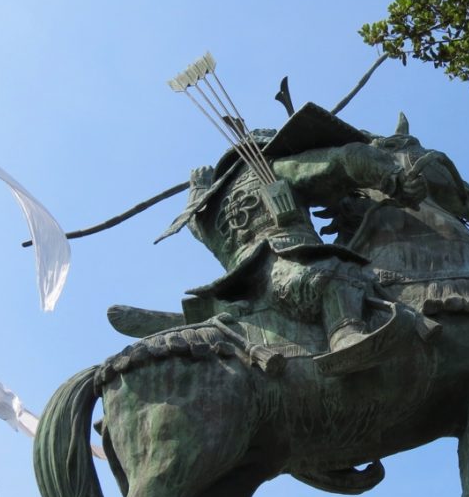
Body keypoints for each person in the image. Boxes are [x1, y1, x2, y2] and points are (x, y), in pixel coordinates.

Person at [157, 103, 425, 372]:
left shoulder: (210, 207)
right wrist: (394, 179)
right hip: (284, 261)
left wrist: (198, 192)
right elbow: (343, 160)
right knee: (335, 273)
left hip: (237, 283)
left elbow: (195, 227)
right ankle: (344, 335)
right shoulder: (273, 168)